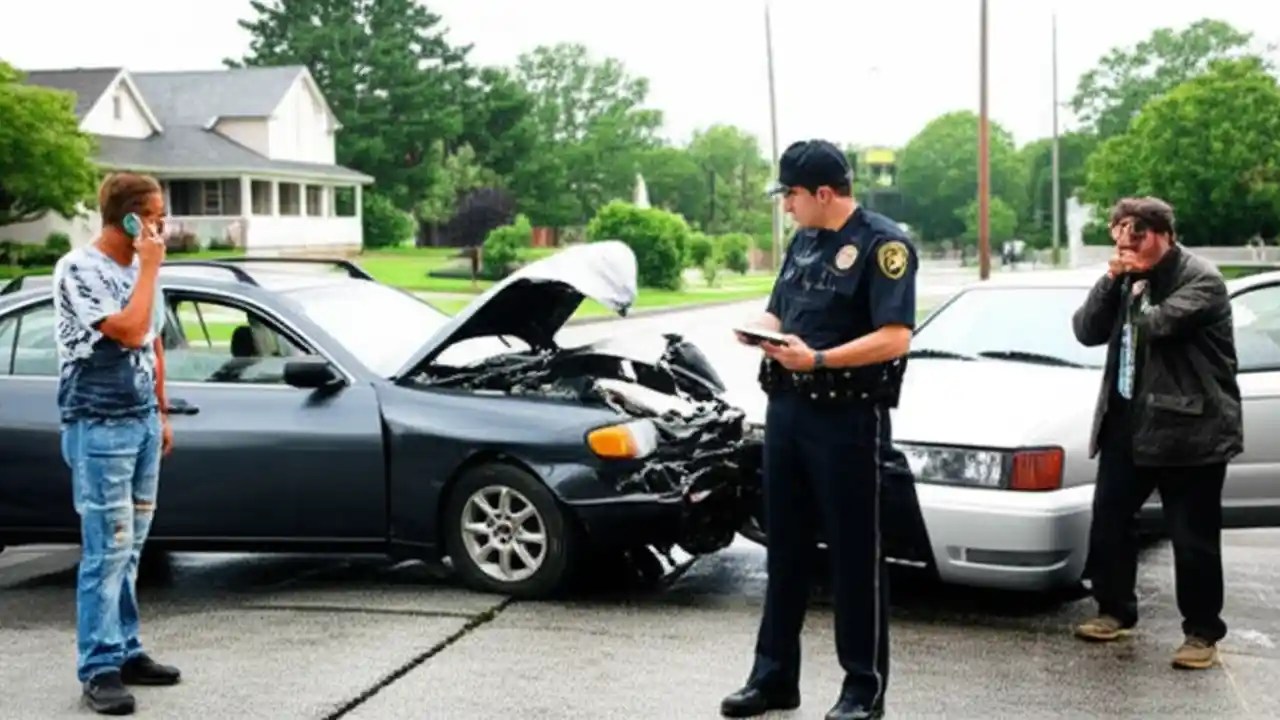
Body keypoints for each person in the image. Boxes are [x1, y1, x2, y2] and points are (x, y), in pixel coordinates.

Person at [721, 139, 918, 720]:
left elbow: (895, 336)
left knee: (854, 554)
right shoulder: (804, 240)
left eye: (792, 195)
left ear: (824, 193)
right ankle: (773, 677)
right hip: (787, 410)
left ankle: (863, 688)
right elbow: (780, 307)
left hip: (846, 417)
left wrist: (820, 360)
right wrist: (759, 328)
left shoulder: (884, 245)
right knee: (784, 547)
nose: (786, 205)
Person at [1070, 196, 1243, 670]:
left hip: (1190, 427)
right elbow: (1086, 330)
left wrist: (1134, 279)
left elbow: (1156, 324)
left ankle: (1202, 633)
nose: (1126, 244)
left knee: (1192, 537)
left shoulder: (1200, 279)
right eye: (1119, 232)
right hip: (1127, 419)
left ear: (1164, 234)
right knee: (1110, 521)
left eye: (1137, 234)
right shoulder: (1126, 277)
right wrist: (1111, 280)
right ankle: (1114, 610)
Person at [53, 172, 180, 715]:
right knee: (106, 550)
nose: (161, 228)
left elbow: (152, 342)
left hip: (142, 421)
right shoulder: (79, 269)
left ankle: (126, 649)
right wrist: (149, 267)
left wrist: (162, 411)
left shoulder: (142, 267)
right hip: (100, 422)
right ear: (128, 217)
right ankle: (99, 667)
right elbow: (126, 330)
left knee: (131, 549)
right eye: (155, 217)